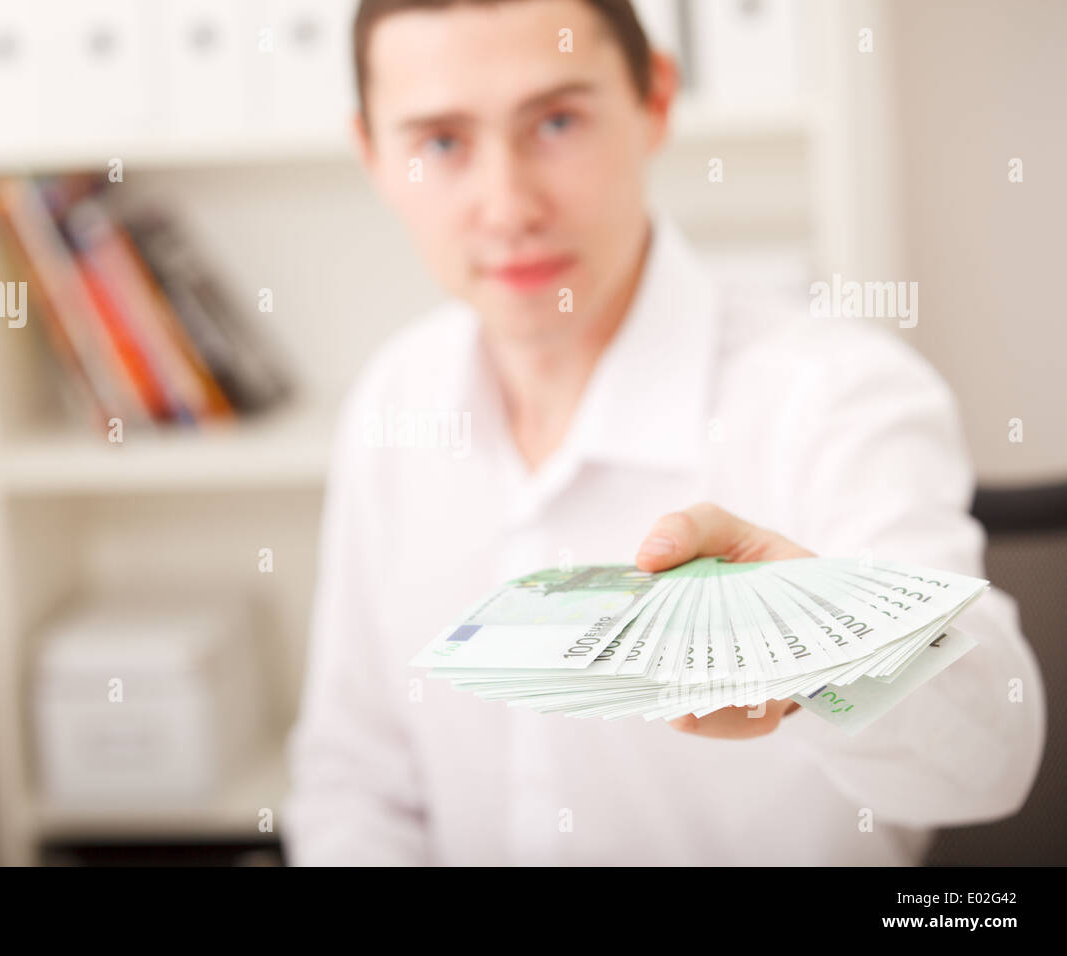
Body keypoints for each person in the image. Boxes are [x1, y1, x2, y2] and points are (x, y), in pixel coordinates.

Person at [281, 0, 1045, 865]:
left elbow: (992, 760)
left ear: (655, 102)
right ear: (373, 154)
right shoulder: (393, 402)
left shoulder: (837, 396)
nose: (509, 206)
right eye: (443, 144)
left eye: (558, 121)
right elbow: (355, 778)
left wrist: (823, 644)